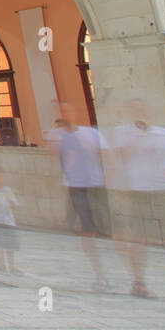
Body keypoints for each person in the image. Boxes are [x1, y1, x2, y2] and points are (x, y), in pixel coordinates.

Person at [109, 99, 165, 300]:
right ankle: (139, 283)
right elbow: (121, 158)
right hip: (140, 191)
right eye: (134, 108)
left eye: (142, 107)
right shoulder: (123, 132)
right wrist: (137, 137)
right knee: (139, 239)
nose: (139, 111)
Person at [46, 101, 111, 290]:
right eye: (61, 112)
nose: (65, 114)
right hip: (75, 186)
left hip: (96, 184)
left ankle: (105, 270)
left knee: (103, 226)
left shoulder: (90, 133)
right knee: (87, 230)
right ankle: (99, 274)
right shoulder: (57, 135)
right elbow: (53, 156)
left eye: (67, 110)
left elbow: (106, 155)